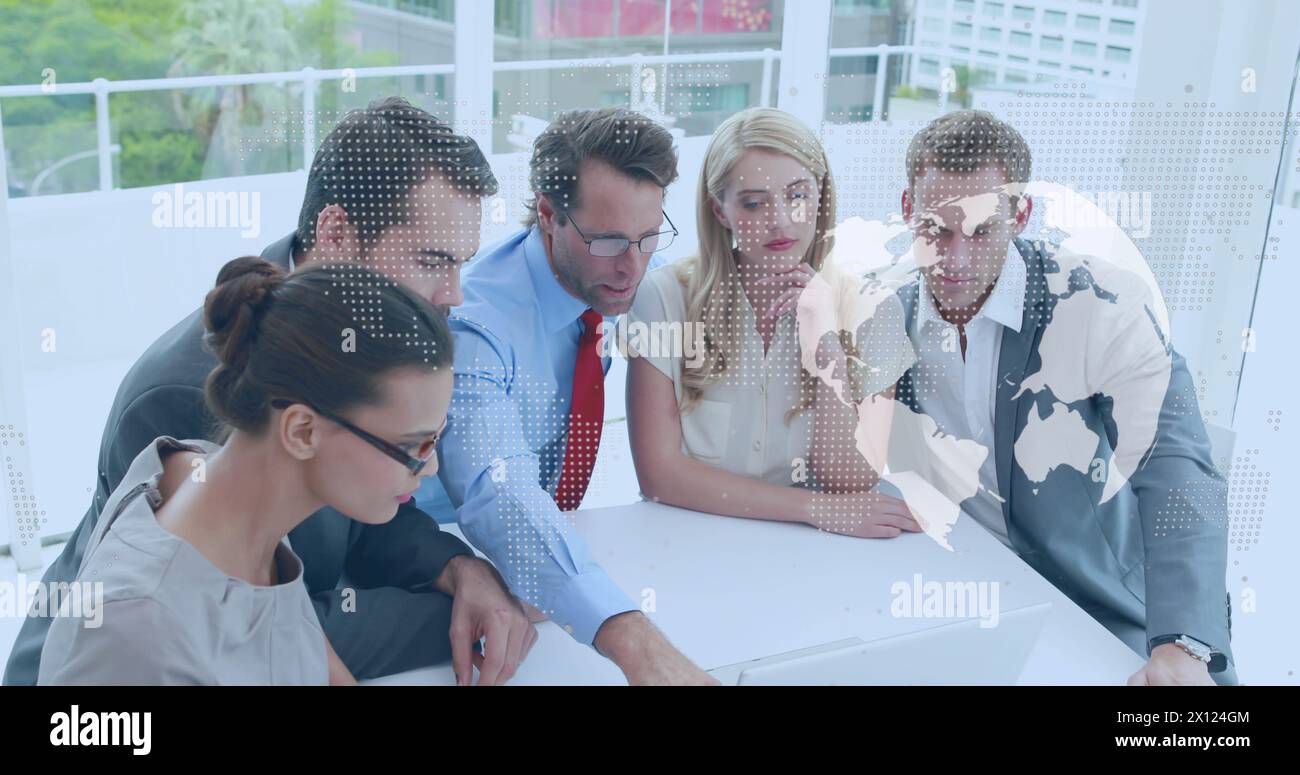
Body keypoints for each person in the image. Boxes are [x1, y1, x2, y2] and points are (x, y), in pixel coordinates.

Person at [6, 97, 534, 687]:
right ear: (336, 232)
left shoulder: (355, 356)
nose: (455, 294)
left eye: (464, 263)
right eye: (434, 260)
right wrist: (469, 615)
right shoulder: (190, 395)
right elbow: (263, 630)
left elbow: (353, 505)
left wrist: (460, 569)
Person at [39, 257, 509, 684]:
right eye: (413, 445)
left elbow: (298, 643)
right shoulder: (140, 630)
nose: (431, 468)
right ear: (302, 431)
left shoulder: (235, 504)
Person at [891, 109, 1234, 685]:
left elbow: (1179, 468)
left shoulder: (1099, 306)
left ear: (1020, 214)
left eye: (980, 231)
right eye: (936, 230)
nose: (954, 259)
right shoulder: (890, 318)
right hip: (960, 594)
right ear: (907, 209)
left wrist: (1184, 643)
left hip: (1099, 602)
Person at [418, 107, 715, 684]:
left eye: (649, 237)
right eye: (607, 241)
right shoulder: (477, 328)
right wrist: (633, 640)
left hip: (546, 571)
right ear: (549, 215)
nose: (633, 267)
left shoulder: (595, 283)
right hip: (451, 575)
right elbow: (498, 492)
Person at [624, 107, 918, 537]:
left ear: (821, 193)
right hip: (688, 540)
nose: (780, 220)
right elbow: (658, 477)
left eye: (797, 195)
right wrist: (816, 508)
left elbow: (851, 479)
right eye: (754, 203)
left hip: (811, 556)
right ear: (720, 210)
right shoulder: (663, 297)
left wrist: (826, 346)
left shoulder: (873, 308)